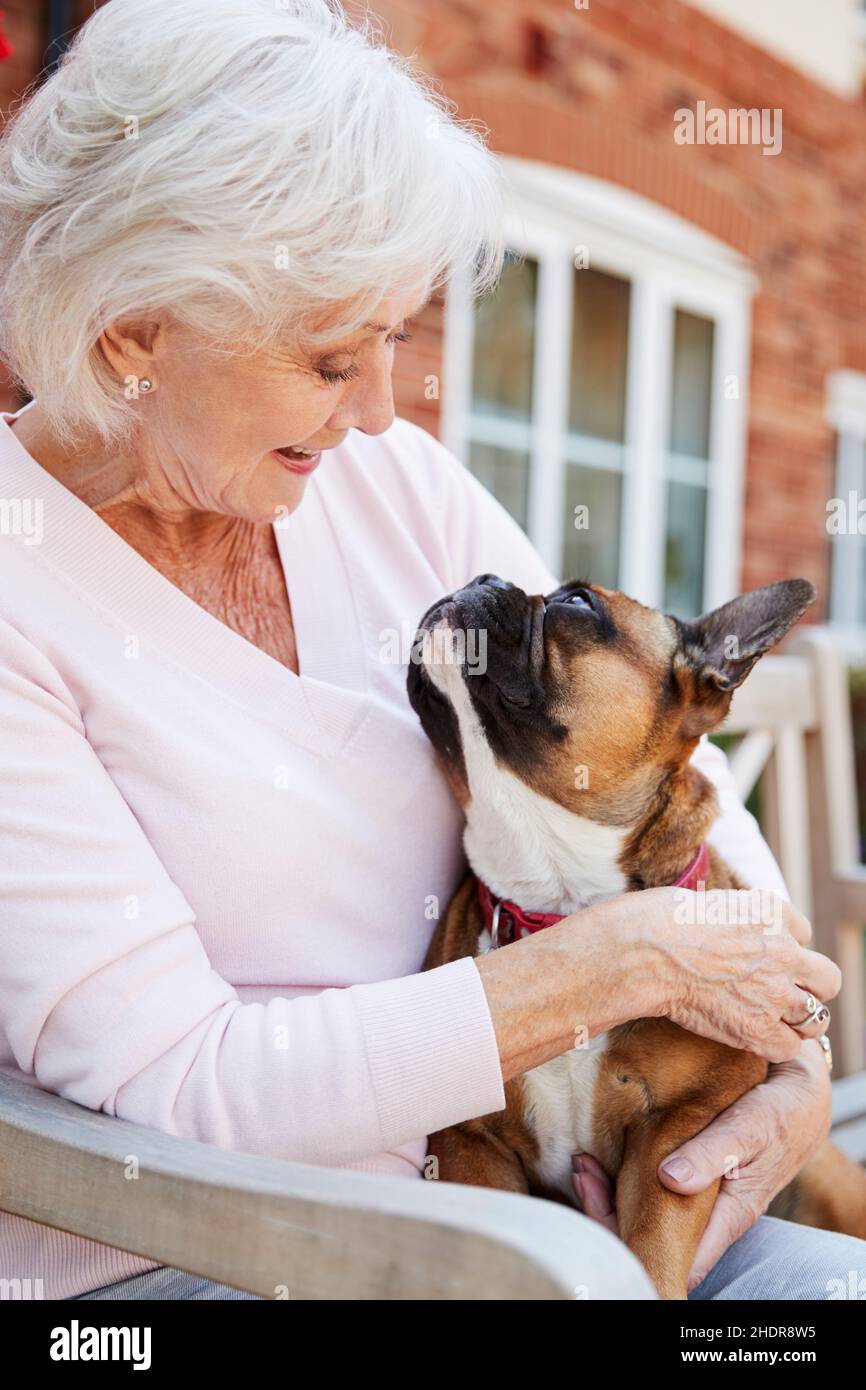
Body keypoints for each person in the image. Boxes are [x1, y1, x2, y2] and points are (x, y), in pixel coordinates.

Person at [0, 0, 860, 1301]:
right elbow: (180, 1083)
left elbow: (678, 778)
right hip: (192, 1261)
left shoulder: (383, 481)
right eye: (332, 354)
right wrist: (607, 969)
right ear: (135, 337)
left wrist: (782, 1070)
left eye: (396, 335)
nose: (384, 410)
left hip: (531, 1202)